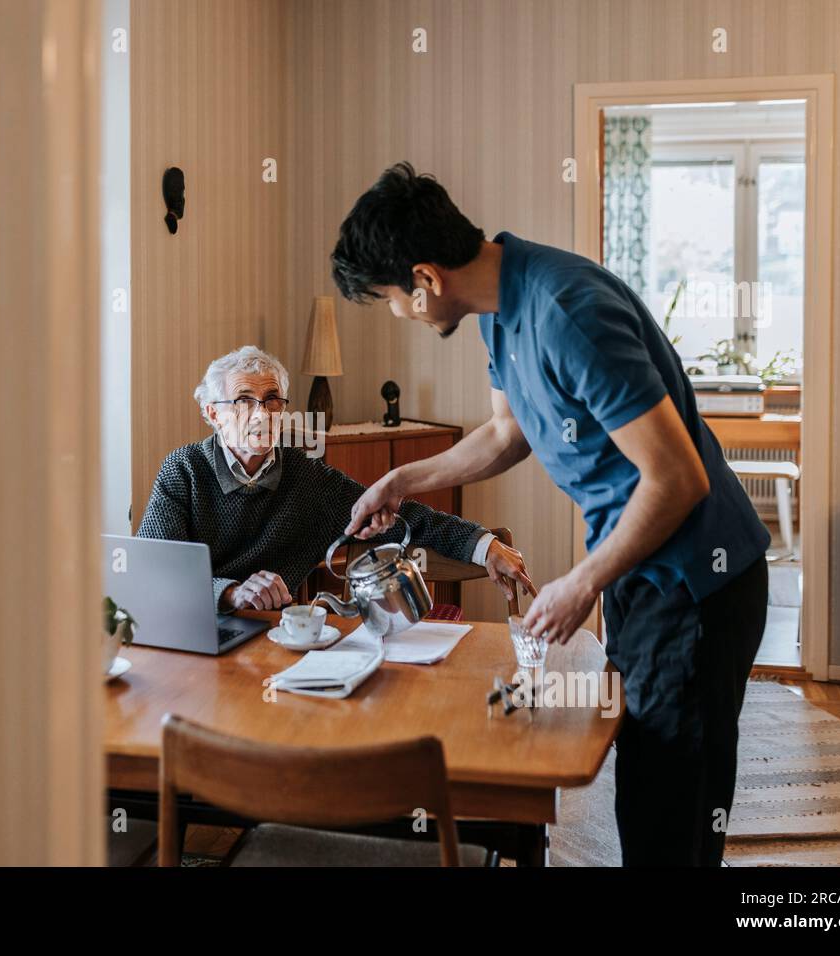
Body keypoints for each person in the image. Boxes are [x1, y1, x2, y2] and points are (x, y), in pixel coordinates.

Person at [332, 163, 770, 866]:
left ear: (426, 278)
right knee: (651, 787)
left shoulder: (568, 312)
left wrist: (581, 582)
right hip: (645, 569)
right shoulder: (499, 307)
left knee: (669, 805)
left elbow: (677, 477)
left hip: (696, 584)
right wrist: (400, 481)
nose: (397, 314)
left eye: (390, 298)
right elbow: (508, 434)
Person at [136, 345, 535, 610]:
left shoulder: (306, 478)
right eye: (243, 400)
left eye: (272, 399)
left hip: (277, 638)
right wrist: (230, 592)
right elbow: (152, 570)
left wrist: (485, 545)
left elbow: (401, 516)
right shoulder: (184, 470)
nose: (262, 413)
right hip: (201, 634)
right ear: (213, 413)